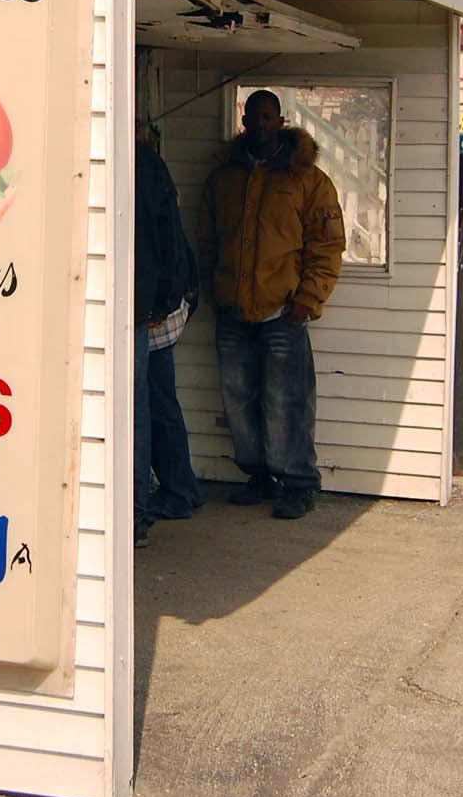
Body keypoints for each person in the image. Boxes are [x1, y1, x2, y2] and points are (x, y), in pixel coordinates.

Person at [202, 90, 344, 519]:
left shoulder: (308, 179)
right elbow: (207, 237)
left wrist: (308, 298)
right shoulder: (225, 177)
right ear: (244, 121)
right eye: (254, 116)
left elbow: (327, 245)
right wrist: (212, 287)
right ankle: (258, 476)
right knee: (238, 399)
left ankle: (297, 484)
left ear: (281, 122)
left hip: (283, 311)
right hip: (232, 310)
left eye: (269, 116)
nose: (261, 123)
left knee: (287, 401)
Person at [133, 127, 202, 545]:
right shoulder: (151, 166)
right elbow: (170, 239)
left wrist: (160, 302)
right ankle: (178, 489)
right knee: (157, 401)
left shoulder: (139, 166)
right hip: (157, 300)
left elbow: (164, 240)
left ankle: (146, 506)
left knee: (143, 406)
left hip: (147, 306)